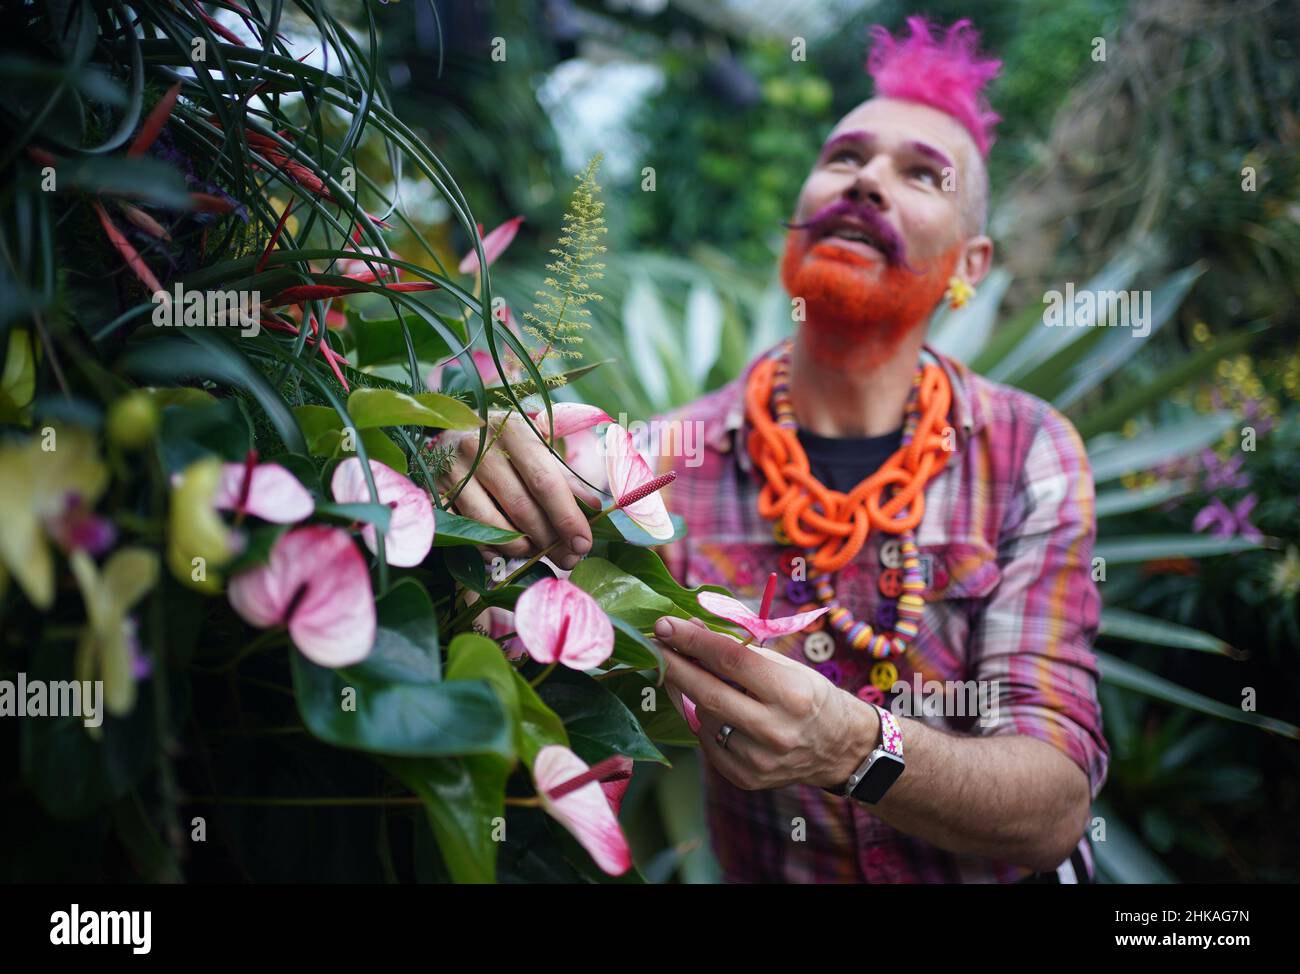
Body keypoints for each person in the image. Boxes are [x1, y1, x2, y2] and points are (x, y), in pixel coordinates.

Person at [438, 15, 1108, 883]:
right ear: (797, 223)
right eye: (845, 157)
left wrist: (853, 750)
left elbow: (1054, 808)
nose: (867, 180)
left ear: (969, 263)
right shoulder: (667, 456)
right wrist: (462, 464)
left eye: (920, 175)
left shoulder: (1029, 454)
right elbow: (530, 535)